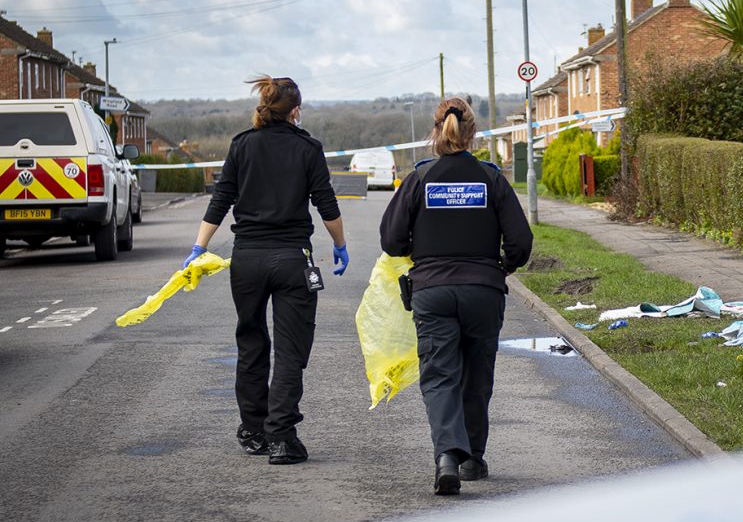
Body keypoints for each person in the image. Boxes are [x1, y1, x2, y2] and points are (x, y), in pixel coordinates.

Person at [182, 76, 349, 466]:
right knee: (291, 350)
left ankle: (253, 430)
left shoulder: (242, 145)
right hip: (292, 258)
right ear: (295, 111)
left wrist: (199, 247)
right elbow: (326, 204)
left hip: (248, 260)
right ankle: (282, 437)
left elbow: (221, 199)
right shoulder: (308, 148)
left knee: (251, 342)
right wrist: (340, 245)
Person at [380, 97, 532, 495]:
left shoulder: (419, 180)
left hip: (431, 291)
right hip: (483, 290)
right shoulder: (492, 179)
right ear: (473, 134)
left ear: (436, 131)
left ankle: (447, 456)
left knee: (440, 374)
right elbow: (521, 243)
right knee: (477, 374)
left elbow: (392, 240)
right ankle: (474, 459)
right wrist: (503, 264)